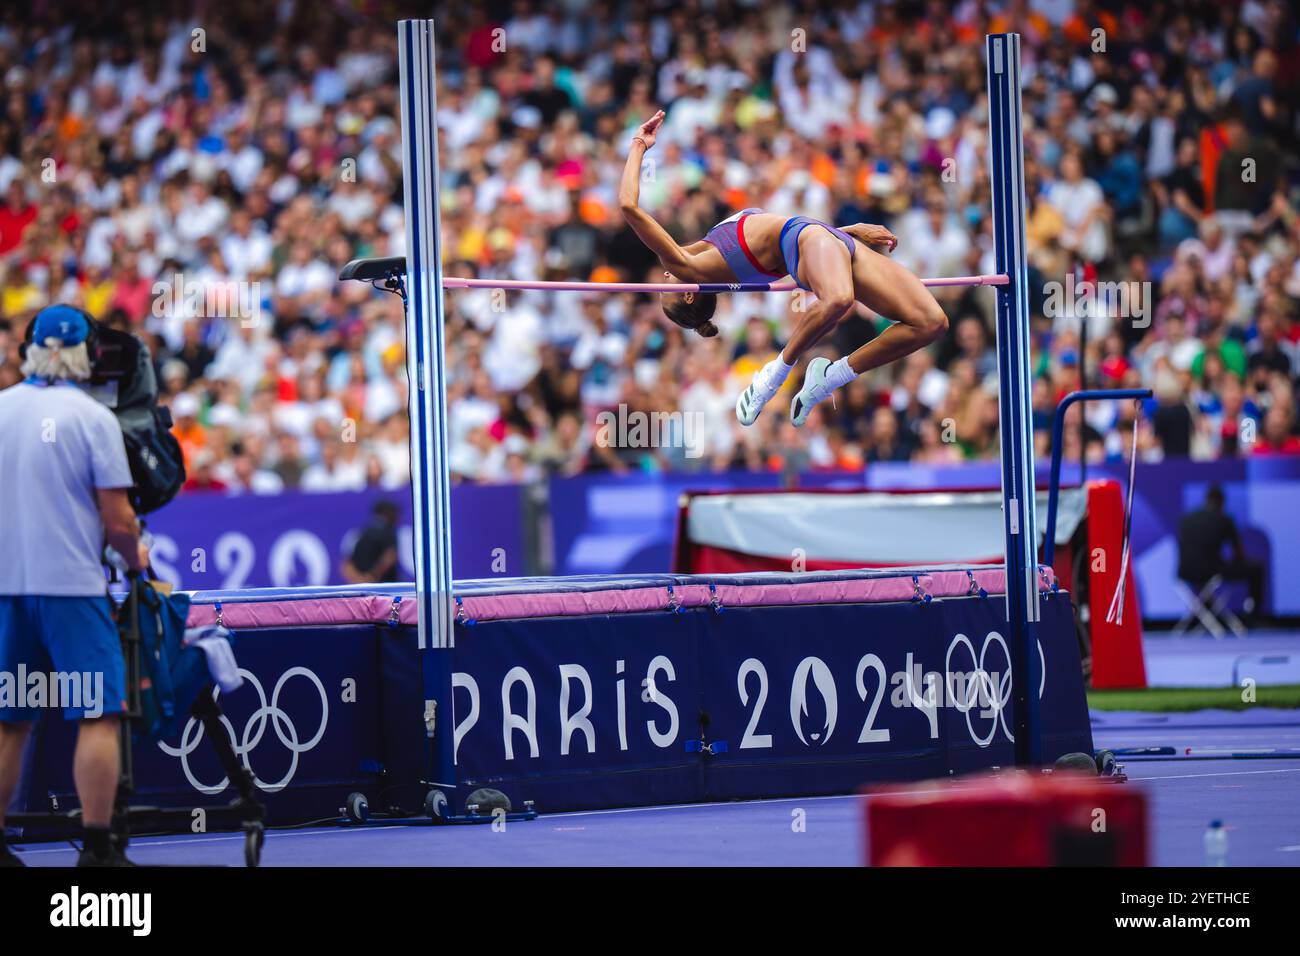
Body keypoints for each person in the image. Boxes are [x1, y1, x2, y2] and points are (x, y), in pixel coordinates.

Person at [618, 110, 948, 427]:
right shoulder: (687, 266)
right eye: (665, 290)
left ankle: (829, 377)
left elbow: (783, 234)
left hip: (826, 241)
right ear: (689, 294)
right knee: (838, 299)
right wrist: (638, 145)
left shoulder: (708, 251)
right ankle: (773, 375)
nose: (663, 277)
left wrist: (849, 231)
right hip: (812, 242)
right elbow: (628, 206)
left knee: (931, 323)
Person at [0, 305, 148, 867]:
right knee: (97, 715)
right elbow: (119, 522)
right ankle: (98, 848)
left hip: (9, 591)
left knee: (11, 720)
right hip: (71, 590)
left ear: (32, 350)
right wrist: (136, 561)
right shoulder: (92, 418)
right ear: (85, 352)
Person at [1176, 484, 1266, 623]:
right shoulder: (1224, 519)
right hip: (1213, 570)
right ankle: (1254, 614)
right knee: (1256, 568)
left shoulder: (1187, 519)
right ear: (1222, 502)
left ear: (1206, 499)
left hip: (1185, 572)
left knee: (1208, 580)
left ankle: (1208, 611)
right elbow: (1239, 554)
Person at [342, 500, 402, 584]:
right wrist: (373, 575)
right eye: (394, 513)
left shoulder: (361, 532)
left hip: (362, 585)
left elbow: (346, 564)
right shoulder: (388, 531)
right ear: (386, 513)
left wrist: (359, 580)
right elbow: (390, 556)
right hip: (383, 585)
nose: (398, 517)